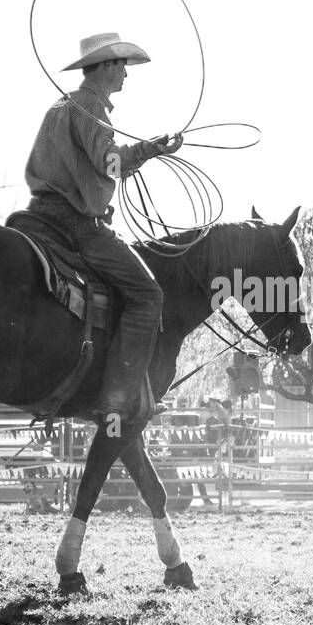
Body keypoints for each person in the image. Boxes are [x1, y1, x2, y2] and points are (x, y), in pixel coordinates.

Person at [24, 32, 184, 423]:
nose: (126, 75)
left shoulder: (62, 106)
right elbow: (108, 162)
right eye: (123, 66)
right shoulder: (90, 106)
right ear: (108, 66)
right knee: (147, 295)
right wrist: (149, 150)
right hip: (75, 222)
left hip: (39, 214)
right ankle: (117, 399)